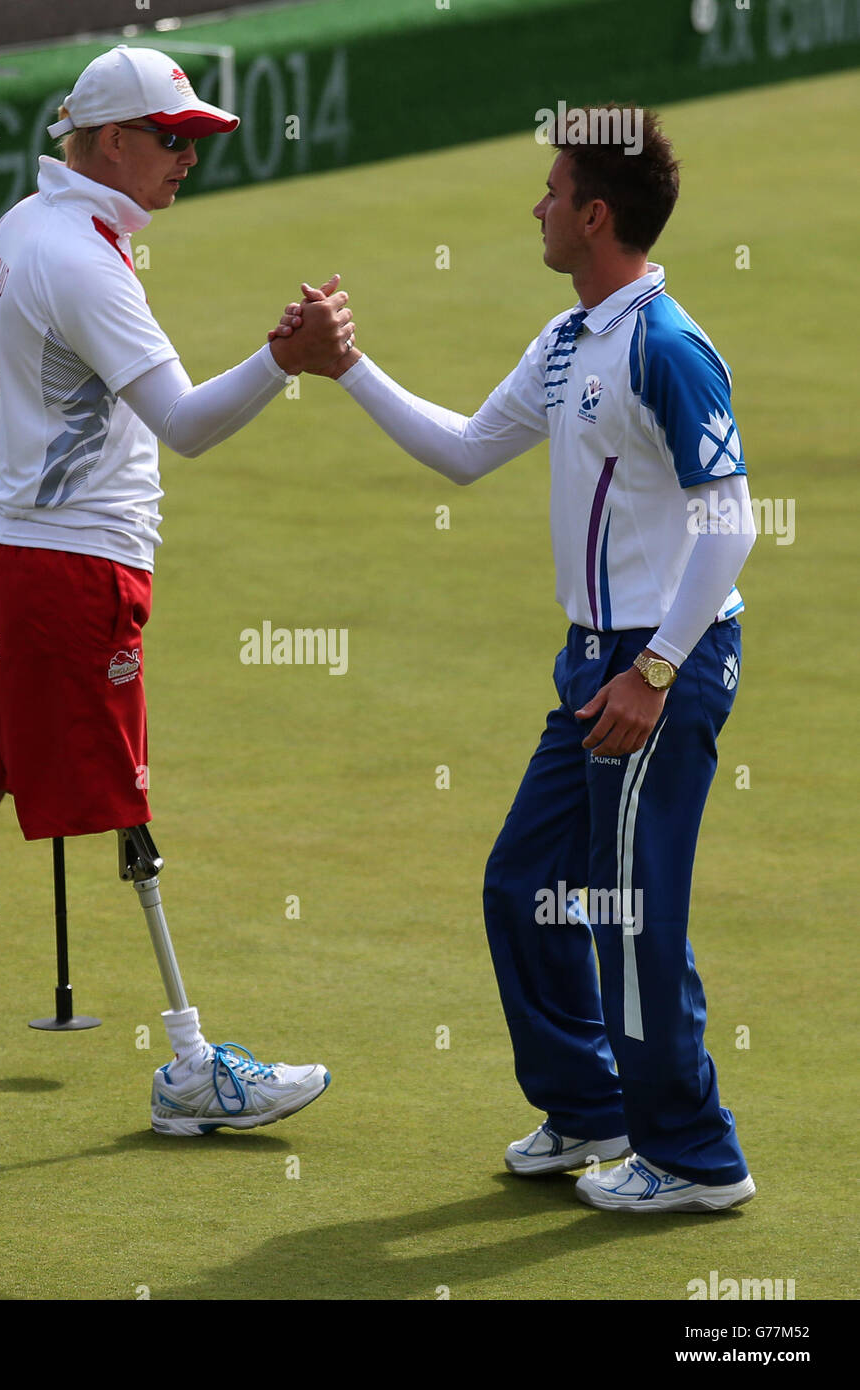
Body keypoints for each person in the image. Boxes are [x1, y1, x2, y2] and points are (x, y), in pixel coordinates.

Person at [0, 45, 355, 1136]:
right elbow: (184, 423)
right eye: (171, 139)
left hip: (17, 557)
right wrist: (287, 359)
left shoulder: (27, 230)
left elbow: (0, 402)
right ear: (106, 141)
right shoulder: (83, 260)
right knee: (120, 797)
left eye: (195, 140)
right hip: (68, 573)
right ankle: (191, 1067)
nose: (188, 159)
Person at [276, 104, 757, 1211]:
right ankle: (589, 1107)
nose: (533, 206)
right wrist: (346, 367)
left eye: (550, 191)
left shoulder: (667, 344)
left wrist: (658, 672)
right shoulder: (565, 343)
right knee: (527, 885)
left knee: (633, 911)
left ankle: (693, 1155)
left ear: (595, 215)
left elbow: (729, 522)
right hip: (595, 667)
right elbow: (460, 451)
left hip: (659, 667)